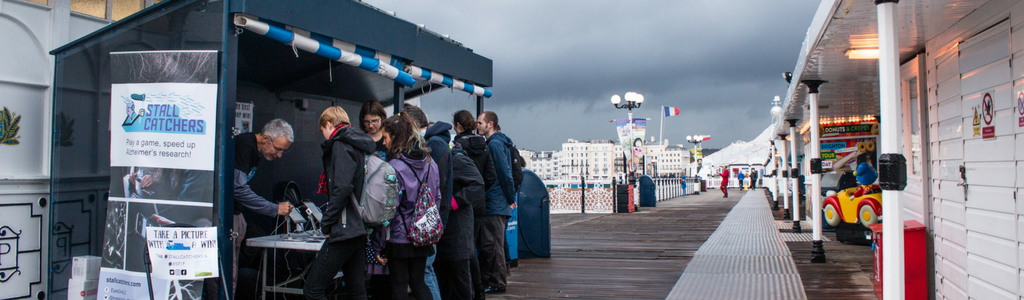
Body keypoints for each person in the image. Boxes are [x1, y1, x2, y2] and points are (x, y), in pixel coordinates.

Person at [303, 107, 374, 300]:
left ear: (327, 124)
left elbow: (341, 189)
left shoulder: (340, 145)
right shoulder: (360, 145)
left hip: (344, 228)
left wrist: (326, 222)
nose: (324, 137)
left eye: (322, 131)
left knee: (312, 290)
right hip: (360, 226)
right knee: (357, 290)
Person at [376, 113, 439, 300]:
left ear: (395, 137)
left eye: (385, 137)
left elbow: (388, 209)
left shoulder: (391, 167)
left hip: (399, 237)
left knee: (399, 284)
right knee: (419, 282)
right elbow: (437, 197)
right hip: (423, 234)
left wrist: (378, 244)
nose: (384, 143)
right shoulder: (430, 163)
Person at [232, 119, 295, 294]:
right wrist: (273, 209)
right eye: (278, 149)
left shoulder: (255, 150)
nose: (279, 155)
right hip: (228, 214)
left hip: (236, 214)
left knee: (234, 271)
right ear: (265, 137)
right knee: (230, 273)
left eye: (283, 151)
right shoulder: (245, 146)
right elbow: (238, 189)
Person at [402, 104, 449, 300]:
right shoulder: (439, 142)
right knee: (424, 273)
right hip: (431, 218)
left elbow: (434, 186)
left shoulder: (433, 145)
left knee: (425, 273)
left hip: (426, 220)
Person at [452, 110, 497, 300]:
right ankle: (479, 289)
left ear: (458, 125)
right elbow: (491, 176)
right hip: (479, 203)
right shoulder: (484, 146)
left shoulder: (456, 146)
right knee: (473, 249)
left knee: (463, 250)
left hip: (461, 204)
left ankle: (468, 291)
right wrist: (480, 191)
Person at [476, 111, 517, 293]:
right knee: (494, 244)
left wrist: (510, 198)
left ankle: (497, 283)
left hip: (495, 201)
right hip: (499, 200)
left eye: (480, 123)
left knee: (492, 245)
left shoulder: (494, 144)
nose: (477, 126)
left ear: (490, 124)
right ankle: (494, 281)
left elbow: (504, 172)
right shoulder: (501, 143)